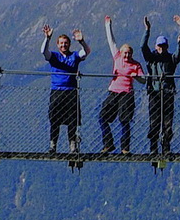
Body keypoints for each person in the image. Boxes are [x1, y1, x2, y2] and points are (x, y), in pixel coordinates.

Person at [139, 15, 180, 154]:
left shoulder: (171, 58)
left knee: (167, 122)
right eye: (159, 46)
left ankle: (166, 147)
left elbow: (179, 55)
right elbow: (142, 47)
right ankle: (153, 147)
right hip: (154, 93)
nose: (161, 48)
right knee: (154, 121)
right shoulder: (151, 58)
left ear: (167, 46)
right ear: (156, 46)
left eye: (163, 46)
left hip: (168, 93)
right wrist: (147, 30)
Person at [41, 24, 89, 153]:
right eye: (61, 43)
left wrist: (82, 41)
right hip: (57, 91)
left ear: (69, 44)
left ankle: (72, 146)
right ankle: (53, 145)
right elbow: (44, 52)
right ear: (57, 45)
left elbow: (86, 52)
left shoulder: (74, 56)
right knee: (54, 119)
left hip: (71, 91)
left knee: (72, 120)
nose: (64, 45)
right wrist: (47, 38)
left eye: (66, 43)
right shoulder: (54, 57)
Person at [100, 16, 140, 154]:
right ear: (121, 53)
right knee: (102, 117)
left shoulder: (136, 65)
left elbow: (143, 79)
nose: (127, 55)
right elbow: (111, 42)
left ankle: (125, 148)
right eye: (125, 53)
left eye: (129, 53)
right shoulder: (117, 58)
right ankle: (108, 144)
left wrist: (136, 76)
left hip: (127, 94)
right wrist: (108, 25)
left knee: (125, 120)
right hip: (113, 92)